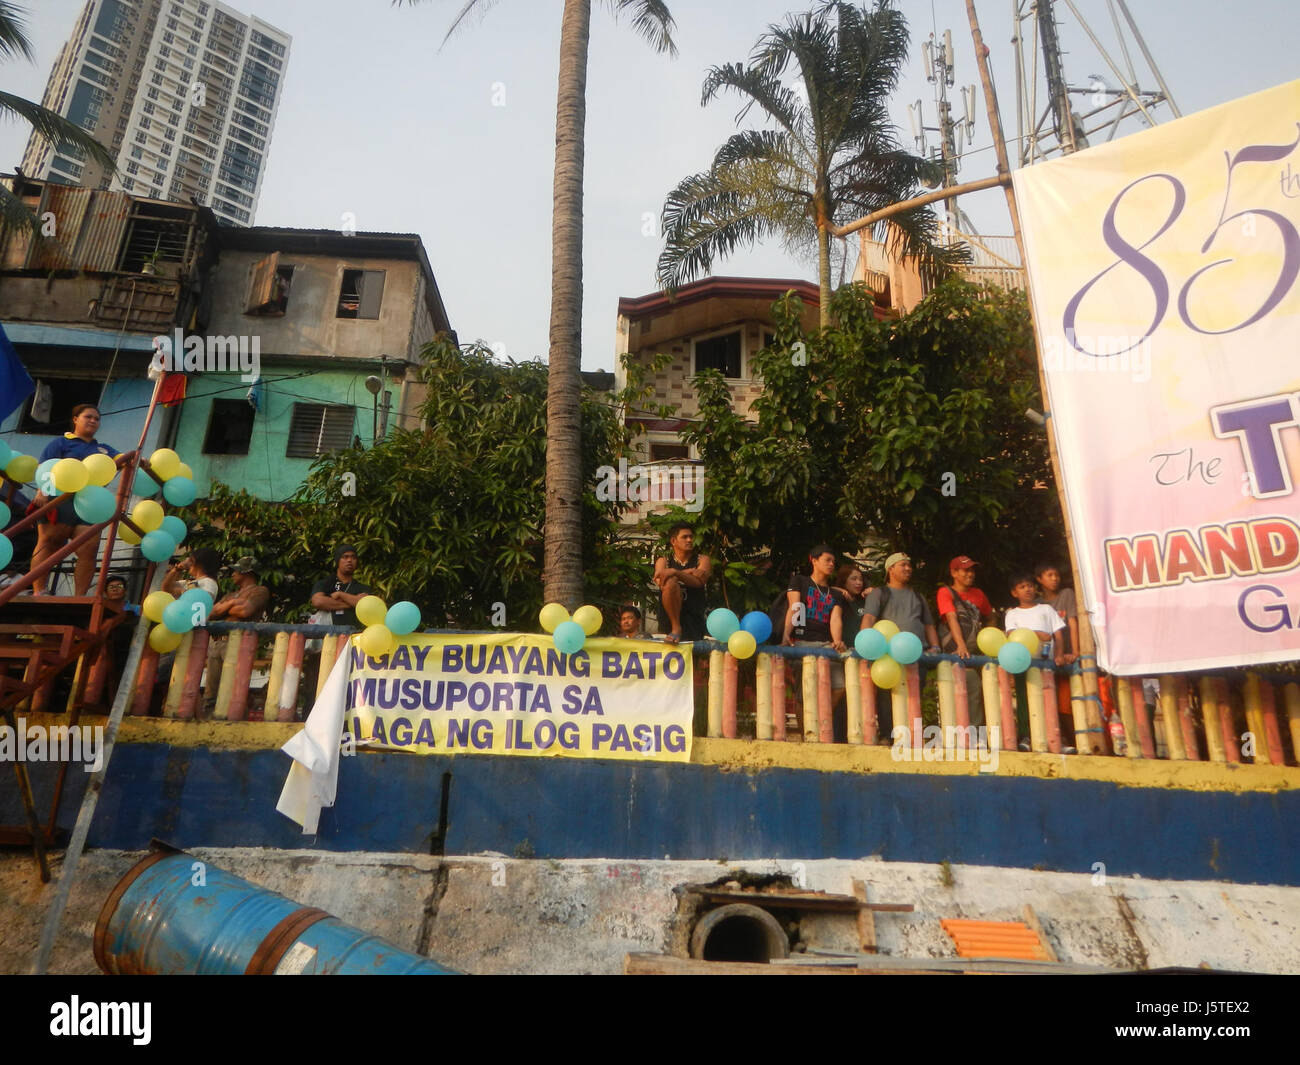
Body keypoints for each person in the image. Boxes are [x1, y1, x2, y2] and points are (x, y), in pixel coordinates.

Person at [30, 405, 119, 595]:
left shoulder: (102, 449)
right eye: (88, 417)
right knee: (48, 542)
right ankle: (39, 591)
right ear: (76, 419)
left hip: (89, 505)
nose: (93, 421)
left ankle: (79, 596)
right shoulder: (61, 443)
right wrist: (42, 492)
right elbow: (45, 467)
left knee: (90, 548)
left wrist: (140, 460)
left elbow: (124, 459)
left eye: (97, 418)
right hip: (59, 500)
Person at [861, 552, 940, 739]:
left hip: (916, 654)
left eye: (909, 565)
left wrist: (935, 647)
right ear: (891, 569)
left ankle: (912, 737)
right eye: (903, 565)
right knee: (887, 698)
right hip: (888, 656)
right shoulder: (880, 593)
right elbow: (869, 618)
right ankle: (889, 737)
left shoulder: (918, 596)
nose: (908, 568)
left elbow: (929, 624)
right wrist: (865, 643)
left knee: (914, 698)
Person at [783, 545, 849, 740]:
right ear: (814, 560)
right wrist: (787, 634)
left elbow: (836, 619)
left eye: (833, 561)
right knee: (805, 693)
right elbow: (794, 607)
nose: (831, 564)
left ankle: (819, 718)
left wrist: (837, 641)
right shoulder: (800, 581)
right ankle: (806, 736)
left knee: (840, 685)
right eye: (827, 560)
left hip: (826, 643)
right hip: (803, 640)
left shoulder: (835, 594)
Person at [204, 556, 270, 711]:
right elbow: (211, 613)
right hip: (217, 641)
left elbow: (245, 610)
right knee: (210, 690)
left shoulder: (260, 591)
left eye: (236, 571)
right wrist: (232, 603)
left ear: (247, 572)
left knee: (233, 688)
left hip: (237, 642)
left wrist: (225, 608)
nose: (233, 574)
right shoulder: (230, 595)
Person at [936, 555, 995, 727]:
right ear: (954, 573)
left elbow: (991, 616)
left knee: (979, 692)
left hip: (975, 652)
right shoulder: (946, 592)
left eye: (972, 570)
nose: (970, 574)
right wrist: (961, 645)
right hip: (955, 650)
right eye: (966, 570)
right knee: (963, 688)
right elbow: (951, 617)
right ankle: (962, 732)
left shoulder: (979, 594)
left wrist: (988, 637)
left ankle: (976, 732)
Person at [652, 523, 711, 644]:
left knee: (694, 659)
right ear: (673, 541)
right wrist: (688, 572)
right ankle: (676, 627)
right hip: (668, 621)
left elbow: (699, 582)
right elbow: (661, 580)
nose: (689, 540)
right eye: (684, 537)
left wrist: (674, 572)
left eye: (691, 537)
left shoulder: (702, 559)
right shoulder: (663, 561)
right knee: (670, 582)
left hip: (693, 619)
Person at [1005, 574, 1065, 665]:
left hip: (1046, 662)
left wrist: (1060, 655)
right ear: (1014, 593)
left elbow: (1058, 635)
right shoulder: (1012, 613)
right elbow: (1012, 635)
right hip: (1021, 662)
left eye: (1030, 586)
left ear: (1035, 589)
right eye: (1022, 587)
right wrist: (1038, 634)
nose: (1027, 589)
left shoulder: (1047, 608)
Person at [310, 544, 370, 628]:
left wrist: (340, 594)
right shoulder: (325, 583)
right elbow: (318, 601)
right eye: (345, 557)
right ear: (338, 560)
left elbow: (367, 605)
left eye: (353, 557)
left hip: (353, 635)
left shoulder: (362, 588)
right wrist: (353, 603)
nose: (349, 560)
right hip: (327, 636)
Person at [1035, 563, 1079, 664]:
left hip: (1069, 652)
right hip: (1048, 656)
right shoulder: (1037, 604)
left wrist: (1075, 652)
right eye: (1050, 575)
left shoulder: (1067, 594)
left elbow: (1073, 623)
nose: (1054, 578)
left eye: (1057, 575)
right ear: (1039, 579)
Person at [834, 562, 870, 633]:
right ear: (844, 581)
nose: (859, 582)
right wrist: (837, 590)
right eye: (854, 579)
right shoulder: (837, 598)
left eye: (861, 579)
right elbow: (825, 589)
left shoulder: (865, 599)